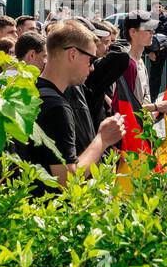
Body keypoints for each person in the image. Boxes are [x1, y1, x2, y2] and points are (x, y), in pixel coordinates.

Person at [17, 21, 127, 186]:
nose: (92, 68)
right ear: (73, 54)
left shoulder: (31, 91)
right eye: (90, 60)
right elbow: (68, 180)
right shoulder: (57, 107)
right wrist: (102, 139)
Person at [119, 11, 167, 121]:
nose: (152, 32)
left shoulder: (140, 61)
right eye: (148, 29)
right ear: (133, 32)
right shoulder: (128, 65)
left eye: (153, 29)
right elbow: (125, 109)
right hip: (134, 131)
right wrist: (156, 107)